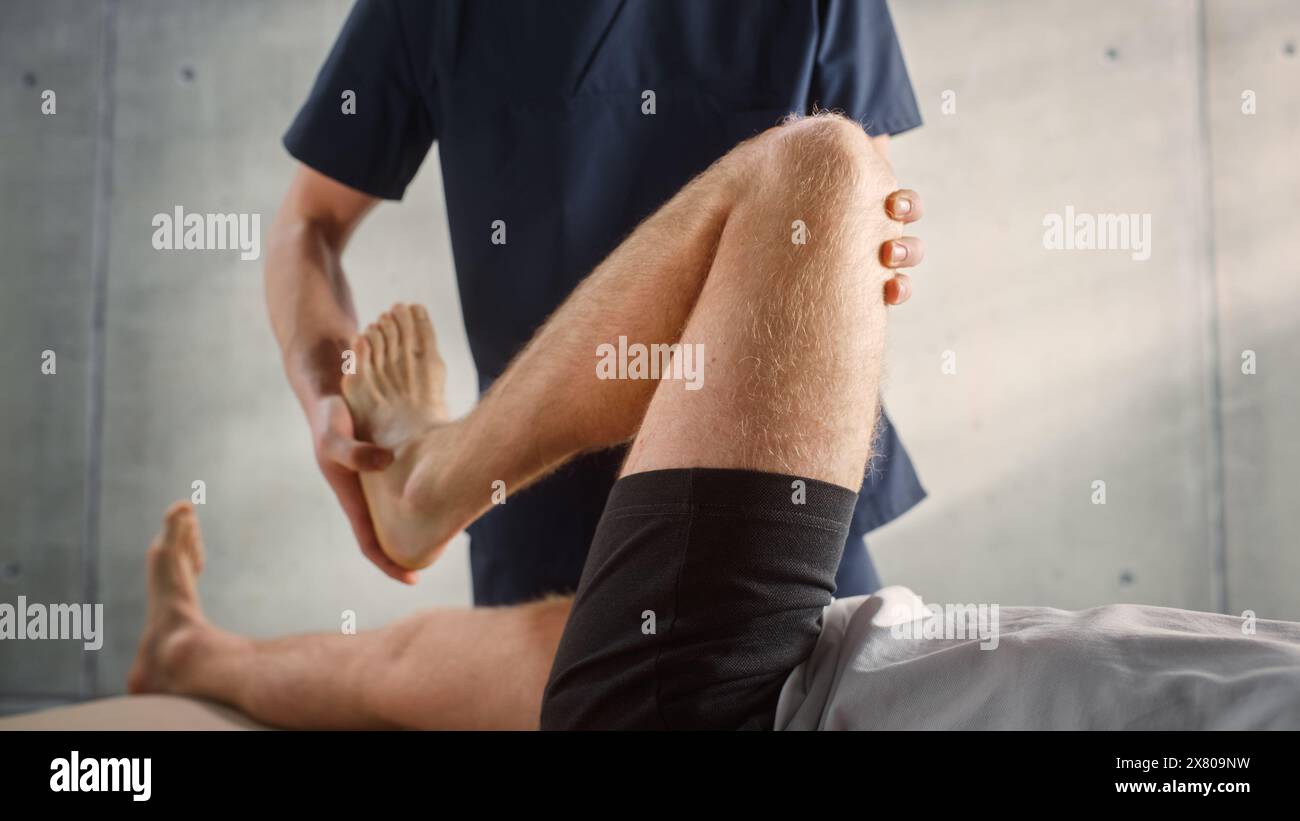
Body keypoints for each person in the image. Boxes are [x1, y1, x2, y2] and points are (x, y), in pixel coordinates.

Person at [132, 116, 1300, 730]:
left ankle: (431, 476)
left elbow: (867, 176)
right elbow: (307, 222)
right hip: (809, 647)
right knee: (527, 661)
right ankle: (196, 651)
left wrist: (843, 255)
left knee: (818, 174)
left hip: (748, 691)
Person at [265, 0, 928, 605]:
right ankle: (426, 486)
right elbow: (309, 223)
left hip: (782, 474)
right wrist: (324, 396)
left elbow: (858, 190)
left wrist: (865, 251)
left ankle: (430, 482)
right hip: (537, 502)